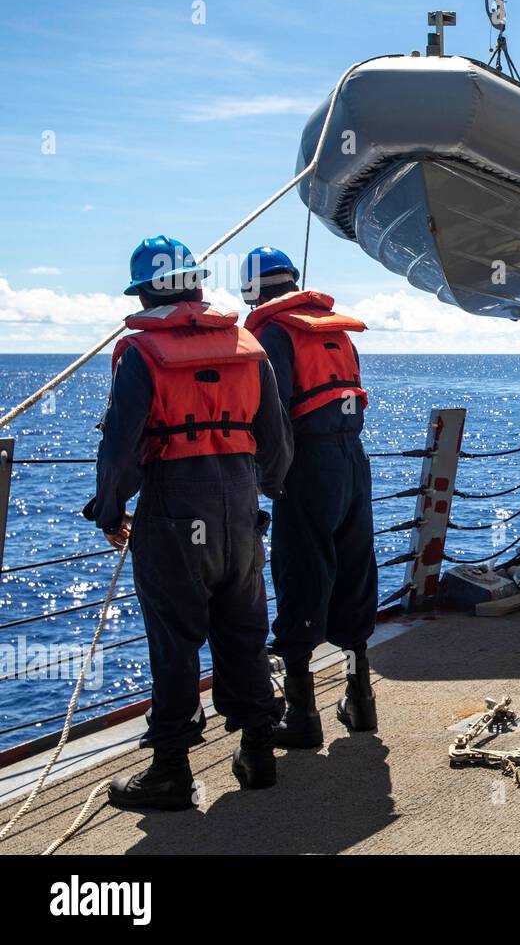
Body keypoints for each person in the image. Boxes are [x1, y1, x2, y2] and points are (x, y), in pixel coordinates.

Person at [90, 235, 292, 810]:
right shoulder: (246, 343)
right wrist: (267, 488)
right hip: (240, 507)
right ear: (198, 283)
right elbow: (276, 437)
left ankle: (172, 771)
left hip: (174, 511)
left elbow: (121, 448)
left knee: (174, 642)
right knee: (245, 630)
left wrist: (109, 510)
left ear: (146, 290)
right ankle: (257, 752)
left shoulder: (142, 353)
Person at [241, 246, 379, 747]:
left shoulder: (271, 332)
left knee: (302, 574)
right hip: (353, 462)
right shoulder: (334, 330)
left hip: (305, 467)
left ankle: (301, 718)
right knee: (354, 569)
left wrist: (265, 482)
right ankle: (361, 699)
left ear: (252, 291)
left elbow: (270, 416)